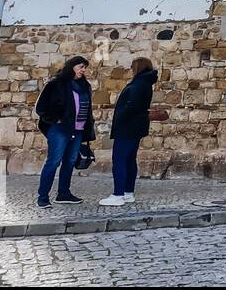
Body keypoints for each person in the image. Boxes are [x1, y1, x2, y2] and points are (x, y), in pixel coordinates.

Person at [33, 56, 95, 207]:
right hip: (61, 129)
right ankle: (43, 197)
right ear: (72, 66)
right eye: (81, 66)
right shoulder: (57, 84)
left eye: (84, 67)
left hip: (78, 129)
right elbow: (41, 107)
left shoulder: (84, 85)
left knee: (70, 161)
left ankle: (63, 193)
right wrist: (55, 119)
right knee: (54, 161)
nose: (83, 70)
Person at [100, 57, 158, 206]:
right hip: (136, 126)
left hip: (127, 127)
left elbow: (132, 105)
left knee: (119, 160)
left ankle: (118, 194)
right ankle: (128, 192)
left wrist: (120, 117)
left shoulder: (139, 84)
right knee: (129, 159)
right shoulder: (145, 83)